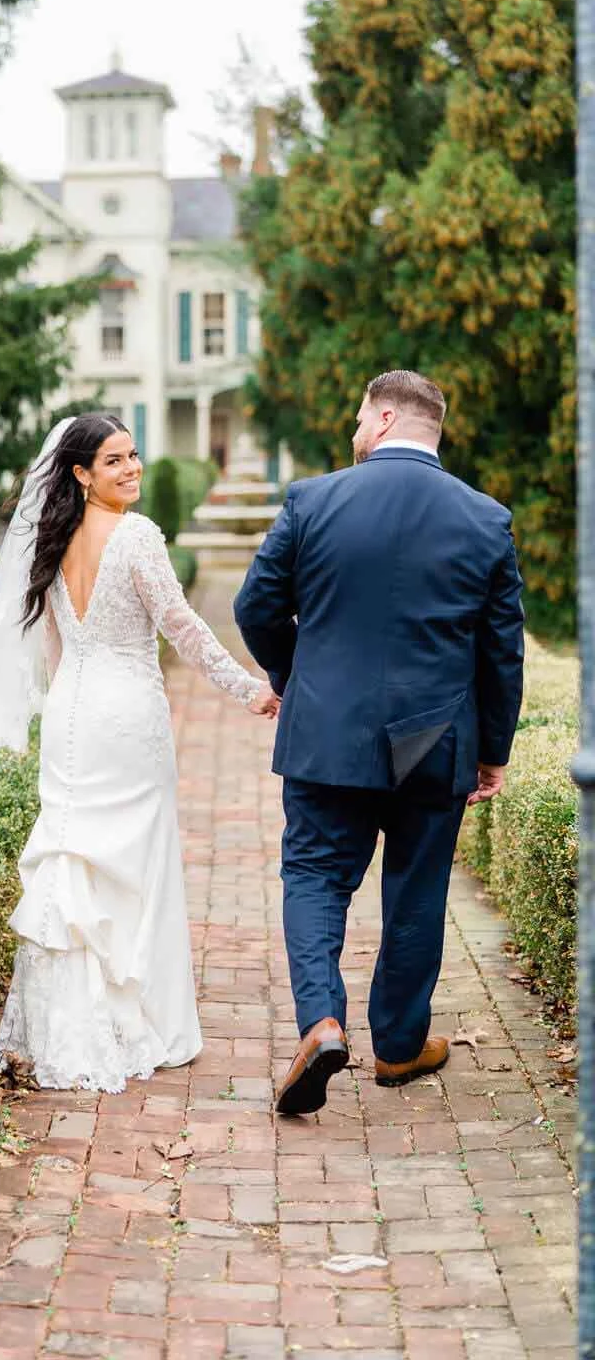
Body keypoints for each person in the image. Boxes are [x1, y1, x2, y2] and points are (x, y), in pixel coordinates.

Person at [234, 371, 525, 1116]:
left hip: (328, 734)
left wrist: (297, 674)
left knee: (315, 876)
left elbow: (256, 605)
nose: (355, 429)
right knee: (417, 891)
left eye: (361, 416)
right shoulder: (486, 518)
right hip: (436, 741)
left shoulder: (313, 499)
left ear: (387, 415)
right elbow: (501, 651)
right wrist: (493, 748)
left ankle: (323, 1022)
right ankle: (398, 1045)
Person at [0, 413, 278, 1093]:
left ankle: (68, 1027)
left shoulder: (52, 540)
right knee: (136, 866)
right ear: (82, 473)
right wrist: (248, 689)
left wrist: (64, 709)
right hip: (128, 720)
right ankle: (146, 1021)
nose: (133, 467)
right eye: (114, 460)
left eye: (134, 455)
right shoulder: (136, 536)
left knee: (75, 858)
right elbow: (184, 628)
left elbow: (54, 650)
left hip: (71, 714)